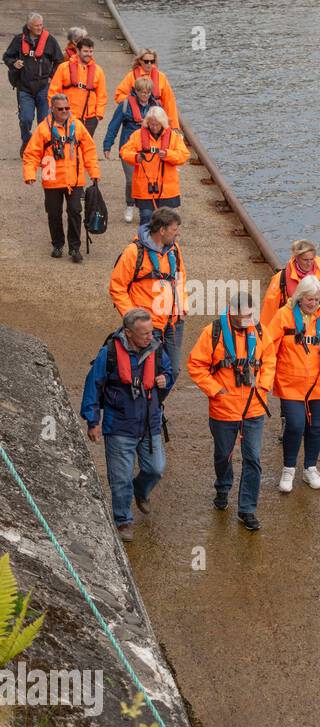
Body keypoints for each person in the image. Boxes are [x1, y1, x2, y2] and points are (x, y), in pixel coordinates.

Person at [80, 308, 172, 542]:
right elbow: (93, 385)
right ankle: (123, 521)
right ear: (129, 333)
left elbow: (168, 372)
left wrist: (165, 379)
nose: (150, 337)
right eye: (144, 334)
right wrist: (93, 422)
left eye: (151, 332)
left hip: (150, 424)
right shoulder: (109, 353)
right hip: (120, 426)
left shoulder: (157, 349)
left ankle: (140, 491)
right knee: (120, 478)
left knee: (156, 468)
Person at [187, 293, 276, 531]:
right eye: (242, 316)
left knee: (253, 458)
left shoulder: (260, 332)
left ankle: (247, 509)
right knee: (223, 455)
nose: (247, 320)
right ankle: (223, 487)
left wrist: (264, 384)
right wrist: (217, 391)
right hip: (224, 408)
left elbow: (269, 360)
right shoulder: (212, 333)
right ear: (231, 312)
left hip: (253, 407)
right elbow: (195, 365)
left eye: (250, 315)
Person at [263, 276, 320, 492]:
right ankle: (288, 469)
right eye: (309, 300)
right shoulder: (284, 316)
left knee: (315, 427)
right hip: (290, 383)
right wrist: (264, 381)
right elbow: (267, 348)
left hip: (319, 384)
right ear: (299, 299)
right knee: (294, 425)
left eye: (316, 300)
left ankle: (310, 468)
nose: (313, 304)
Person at [21, 93, 100, 262]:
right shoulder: (43, 129)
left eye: (67, 108)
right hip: (52, 179)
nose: (65, 111)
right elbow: (31, 154)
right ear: (52, 109)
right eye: (60, 109)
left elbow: (89, 151)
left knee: (75, 212)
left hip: (74, 179)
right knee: (54, 213)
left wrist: (94, 173)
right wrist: (29, 174)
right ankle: (57, 244)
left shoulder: (77, 126)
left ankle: (74, 248)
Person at [108, 206, 186, 376]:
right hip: (148, 326)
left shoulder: (174, 250)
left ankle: (153, 403)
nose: (178, 233)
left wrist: (182, 307)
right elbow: (117, 287)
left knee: (172, 372)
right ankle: (148, 403)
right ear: (162, 230)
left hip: (172, 323)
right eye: (174, 229)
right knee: (147, 374)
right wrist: (134, 319)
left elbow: (180, 278)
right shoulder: (133, 252)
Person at [119, 105, 188, 237]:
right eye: (151, 124)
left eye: (157, 125)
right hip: (145, 188)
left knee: (167, 225)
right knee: (146, 220)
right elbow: (124, 151)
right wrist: (135, 157)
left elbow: (183, 156)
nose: (154, 127)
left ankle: (167, 252)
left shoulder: (173, 137)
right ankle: (143, 249)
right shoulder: (137, 136)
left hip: (167, 189)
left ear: (163, 123)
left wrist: (168, 154)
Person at [103, 77, 160, 223]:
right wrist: (107, 145)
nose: (145, 95)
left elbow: (164, 128)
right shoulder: (125, 106)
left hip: (149, 150)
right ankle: (130, 204)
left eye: (148, 92)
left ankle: (148, 208)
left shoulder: (156, 107)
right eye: (142, 92)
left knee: (149, 179)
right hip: (129, 148)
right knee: (131, 179)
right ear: (136, 91)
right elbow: (113, 126)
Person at [5, 12, 62, 152]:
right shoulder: (19, 40)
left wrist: (52, 77)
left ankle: (42, 146)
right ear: (29, 26)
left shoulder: (50, 41)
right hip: (25, 88)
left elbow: (59, 60)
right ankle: (26, 140)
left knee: (44, 120)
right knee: (25, 119)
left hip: (44, 87)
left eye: (41, 25)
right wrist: (14, 63)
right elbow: (7, 57)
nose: (39, 28)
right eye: (36, 26)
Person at [259, 240, 320, 326]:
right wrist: (263, 334)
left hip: (315, 328)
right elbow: (269, 309)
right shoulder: (280, 279)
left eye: (311, 259)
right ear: (296, 258)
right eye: (305, 260)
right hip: (290, 326)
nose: (309, 263)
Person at [48, 36, 104, 137]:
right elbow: (53, 91)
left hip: (90, 118)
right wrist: (54, 111)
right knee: (67, 146)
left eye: (91, 51)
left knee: (85, 147)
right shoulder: (63, 68)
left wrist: (98, 115)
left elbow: (102, 94)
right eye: (85, 51)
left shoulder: (98, 71)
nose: (89, 54)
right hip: (68, 115)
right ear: (78, 51)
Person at [112, 49, 176, 125]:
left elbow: (169, 102)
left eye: (152, 61)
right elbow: (118, 96)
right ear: (140, 61)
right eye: (146, 61)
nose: (149, 64)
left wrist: (174, 126)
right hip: (136, 120)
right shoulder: (131, 76)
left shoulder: (161, 77)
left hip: (156, 119)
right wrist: (135, 99)